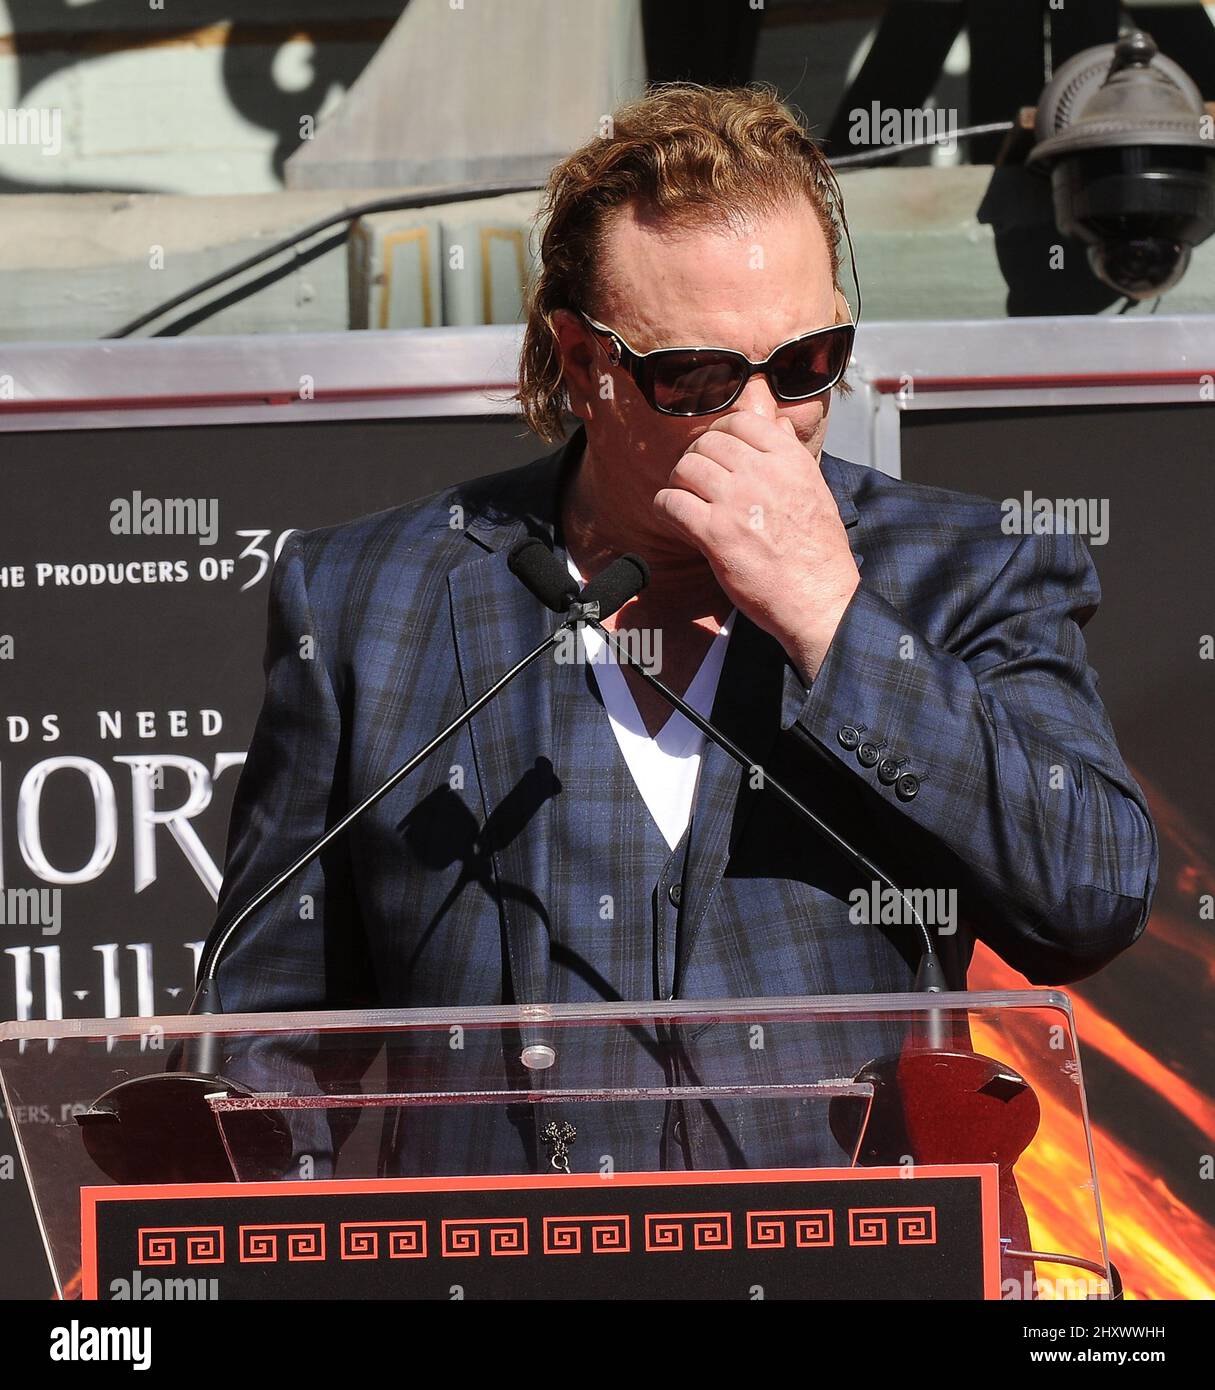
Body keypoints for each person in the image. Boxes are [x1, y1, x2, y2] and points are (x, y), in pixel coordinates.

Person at [201, 84, 1157, 1185]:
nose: (762, 422)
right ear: (581, 358)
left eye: (805, 363)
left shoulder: (966, 568)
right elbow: (265, 1040)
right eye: (696, 377)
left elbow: (1095, 895)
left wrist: (834, 622)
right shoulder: (370, 599)